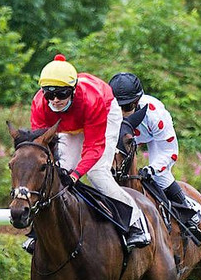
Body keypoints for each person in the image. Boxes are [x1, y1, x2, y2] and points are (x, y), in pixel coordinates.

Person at [29, 54, 151, 251]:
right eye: (49, 94)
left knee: (97, 173)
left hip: (104, 112)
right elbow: (41, 146)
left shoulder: (91, 100)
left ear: (73, 90)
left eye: (61, 93)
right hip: (72, 123)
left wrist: (77, 174)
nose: (55, 100)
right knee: (59, 172)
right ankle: (40, 231)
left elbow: (94, 148)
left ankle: (136, 223)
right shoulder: (39, 105)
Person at [108, 72, 201, 232]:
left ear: (137, 102)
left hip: (154, 135)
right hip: (126, 137)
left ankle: (188, 211)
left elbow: (169, 152)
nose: (122, 113)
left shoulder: (156, 115)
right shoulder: (108, 114)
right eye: (118, 107)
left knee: (160, 176)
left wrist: (152, 169)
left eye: (127, 107)